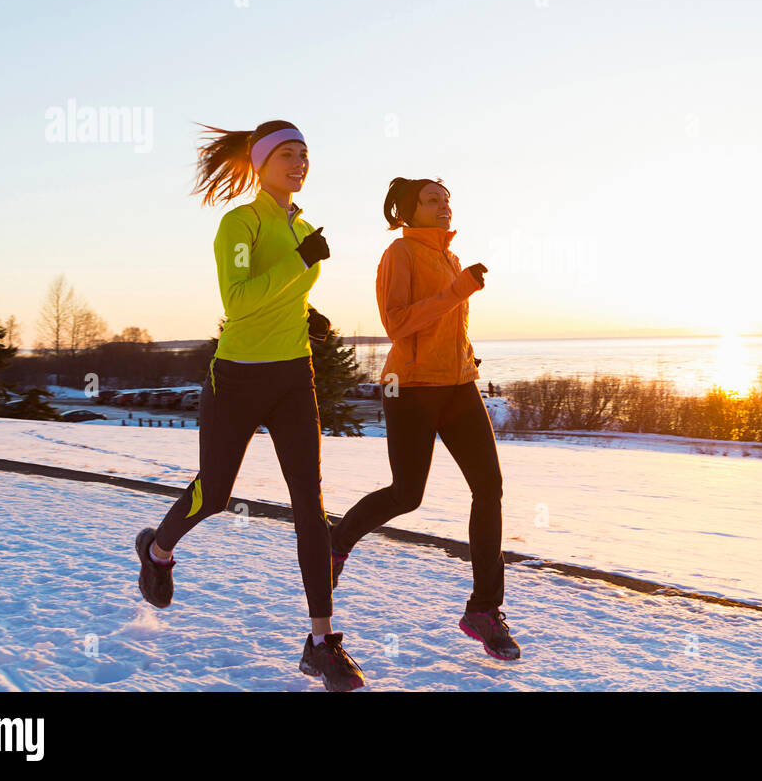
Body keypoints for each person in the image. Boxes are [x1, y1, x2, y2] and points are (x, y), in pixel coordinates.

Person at [133, 119, 365, 692]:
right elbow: (237, 302)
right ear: (260, 164)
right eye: (288, 153)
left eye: (306, 154)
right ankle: (157, 550)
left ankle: (320, 642)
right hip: (236, 377)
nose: (300, 162)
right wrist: (299, 263)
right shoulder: (238, 223)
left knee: (309, 508)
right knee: (214, 494)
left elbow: (281, 293)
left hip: (292, 377)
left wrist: (308, 314)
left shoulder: (302, 225)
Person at [330, 177, 520, 660]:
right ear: (408, 210)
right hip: (411, 388)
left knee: (489, 489)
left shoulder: (450, 257)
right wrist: (457, 291)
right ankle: (338, 540)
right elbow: (396, 323)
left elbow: (448, 326)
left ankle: (483, 609)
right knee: (407, 494)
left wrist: (467, 358)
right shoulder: (401, 254)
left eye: (447, 200)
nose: (445, 207)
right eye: (433, 200)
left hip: (459, 387)